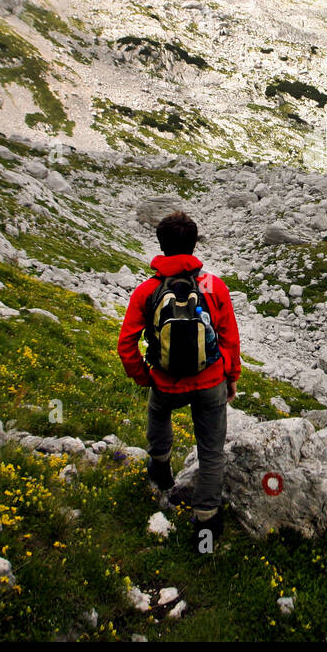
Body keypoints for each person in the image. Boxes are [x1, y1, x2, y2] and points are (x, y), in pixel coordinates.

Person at [117, 211, 241, 551]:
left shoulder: (147, 290)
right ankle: (206, 524)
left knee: (158, 413)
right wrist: (231, 377)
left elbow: (126, 344)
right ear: (194, 244)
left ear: (161, 245)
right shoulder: (214, 287)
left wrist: (145, 376)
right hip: (210, 382)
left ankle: (160, 469)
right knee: (211, 450)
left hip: (166, 381)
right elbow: (230, 339)